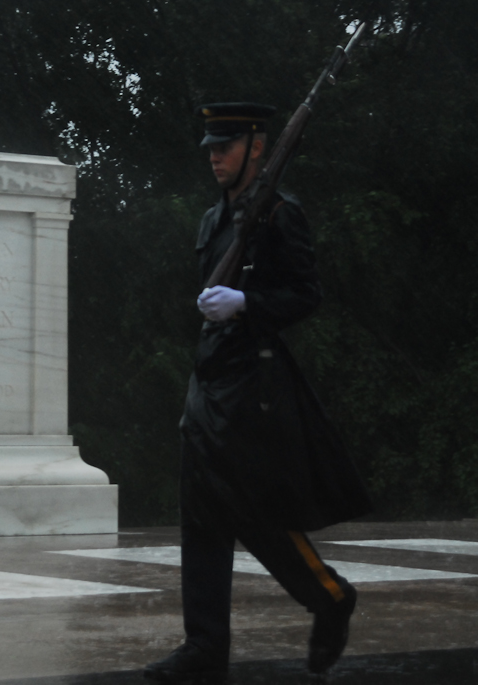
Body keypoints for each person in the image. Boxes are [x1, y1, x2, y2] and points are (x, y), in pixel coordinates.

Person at [143, 103, 372, 683]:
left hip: (253, 385)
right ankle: (205, 648)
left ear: (259, 147)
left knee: (251, 510)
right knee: (201, 515)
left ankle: (328, 596)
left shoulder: (279, 214)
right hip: (210, 380)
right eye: (210, 147)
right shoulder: (210, 220)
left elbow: (307, 294)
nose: (214, 156)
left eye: (226, 145)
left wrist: (248, 305)